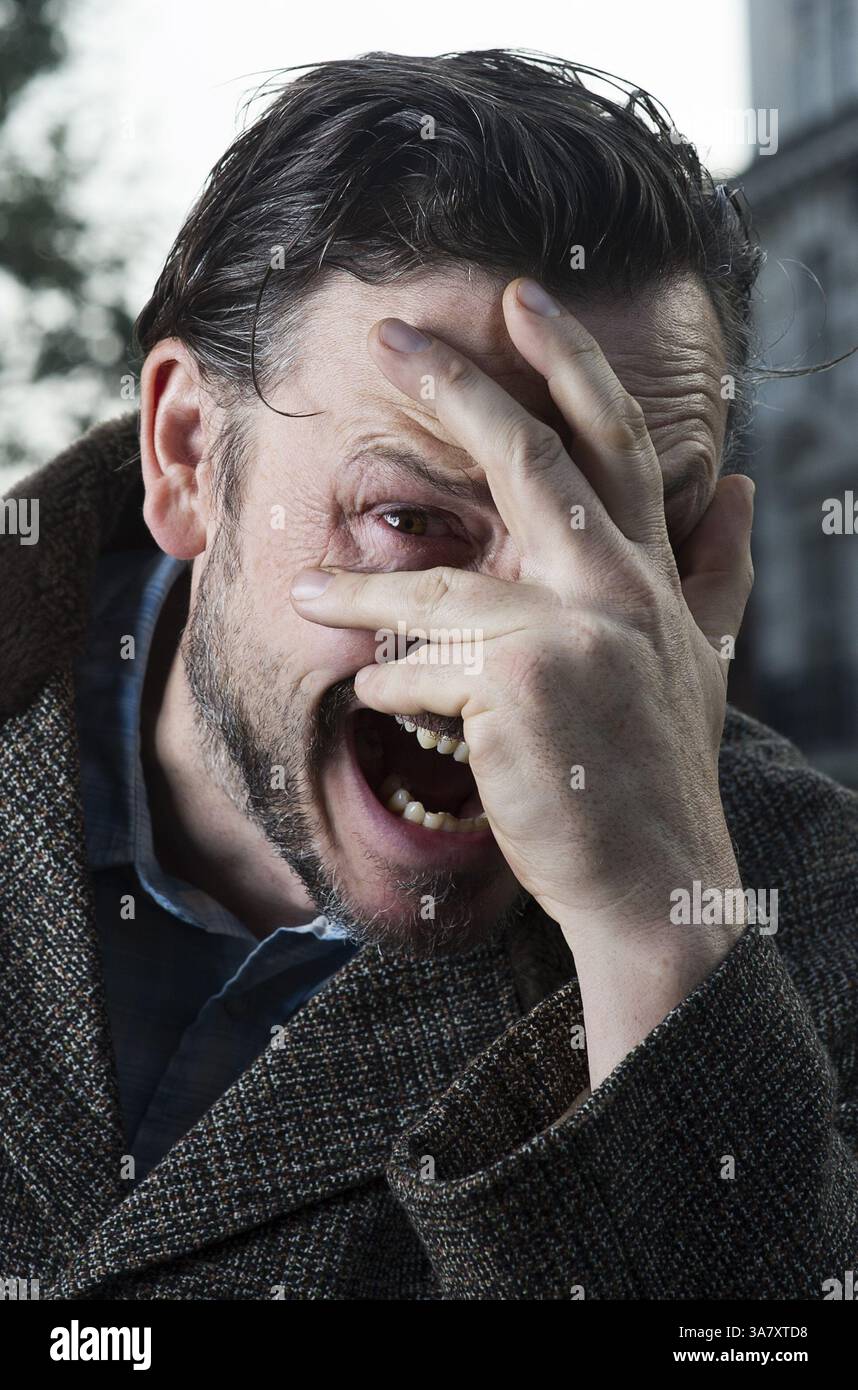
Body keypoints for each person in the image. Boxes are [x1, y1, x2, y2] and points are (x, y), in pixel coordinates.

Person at [1, 50, 855, 1300]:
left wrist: (656, 945)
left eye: (627, 536)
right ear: (186, 455)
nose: (532, 647)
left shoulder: (820, 917)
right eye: (414, 518)